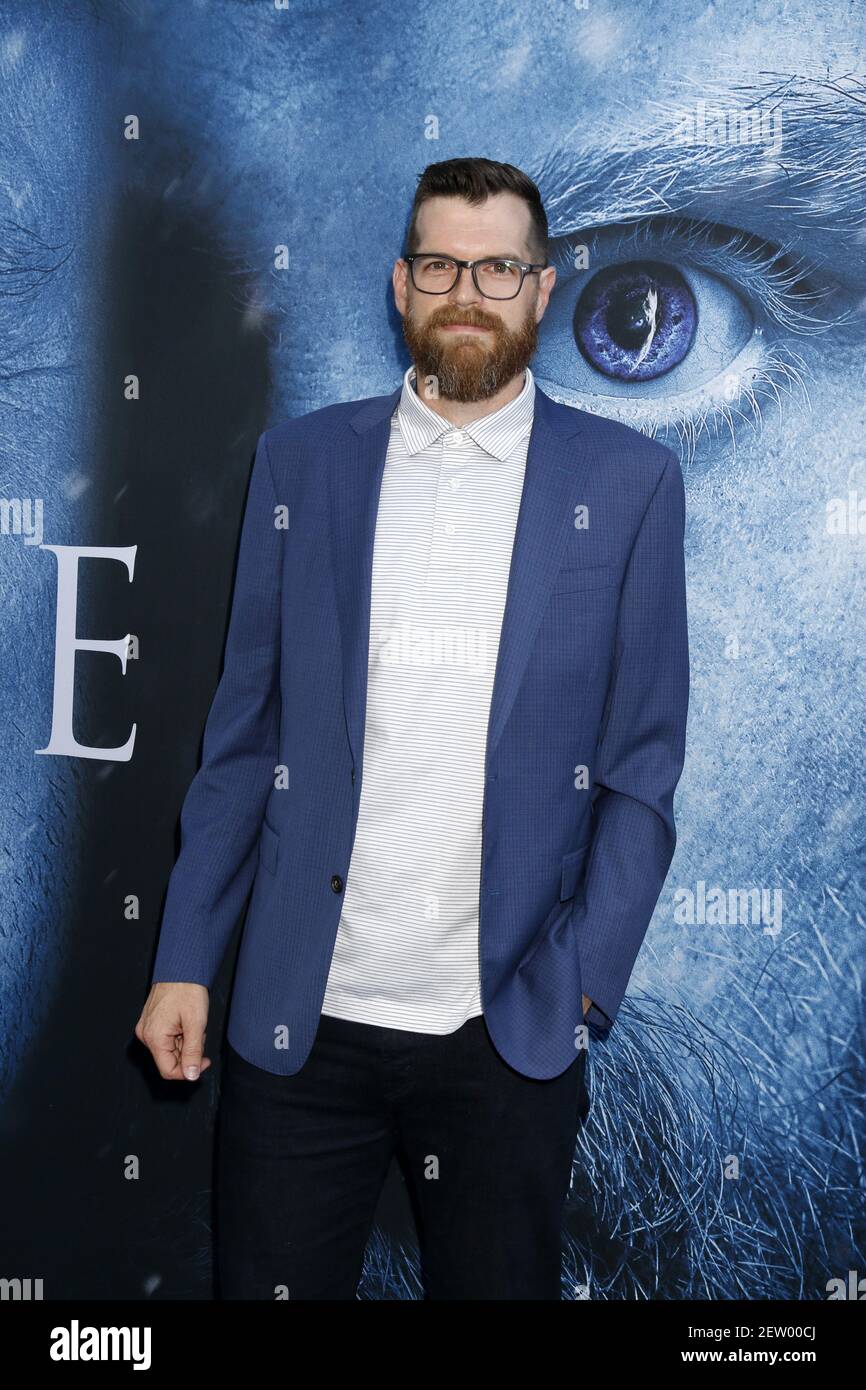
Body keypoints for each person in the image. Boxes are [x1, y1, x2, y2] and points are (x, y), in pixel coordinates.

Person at [135, 157, 690, 1300]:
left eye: (498, 267)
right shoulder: (303, 463)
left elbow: (640, 765)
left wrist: (581, 983)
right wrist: (186, 957)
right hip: (299, 1025)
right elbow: (242, 739)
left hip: (509, 1033)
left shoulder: (626, 482)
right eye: (440, 263)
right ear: (400, 285)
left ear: (540, 290)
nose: (466, 292)